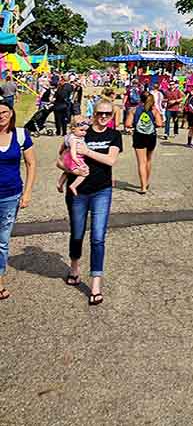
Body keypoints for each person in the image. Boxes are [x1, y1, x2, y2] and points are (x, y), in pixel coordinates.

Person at [58, 99, 122, 306]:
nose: (103, 117)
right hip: (78, 192)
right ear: (93, 113)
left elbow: (111, 160)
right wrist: (71, 170)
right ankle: (74, 267)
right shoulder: (81, 130)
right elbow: (60, 159)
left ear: (112, 116)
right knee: (77, 232)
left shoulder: (114, 135)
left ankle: (95, 284)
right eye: (100, 113)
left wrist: (87, 152)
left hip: (101, 191)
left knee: (97, 237)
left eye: (108, 114)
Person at [0, 100, 36, 300]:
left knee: (2, 241)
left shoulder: (21, 135)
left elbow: (31, 164)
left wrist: (28, 192)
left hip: (11, 195)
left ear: (11, 113)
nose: (1, 115)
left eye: (5, 112)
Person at [132, 92, 161, 194]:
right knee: (148, 160)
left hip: (138, 136)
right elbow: (159, 124)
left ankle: (143, 187)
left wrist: (134, 124)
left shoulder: (134, 110)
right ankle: (147, 182)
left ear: (140, 99)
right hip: (151, 136)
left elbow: (127, 124)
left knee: (141, 162)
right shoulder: (154, 110)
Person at [57, 120, 90, 195]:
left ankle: (60, 183)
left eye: (85, 130)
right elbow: (73, 149)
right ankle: (73, 185)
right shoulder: (74, 139)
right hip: (73, 158)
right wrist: (75, 158)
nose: (84, 132)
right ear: (73, 129)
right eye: (81, 130)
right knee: (85, 172)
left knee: (66, 172)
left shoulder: (72, 136)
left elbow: (62, 149)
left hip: (69, 157)